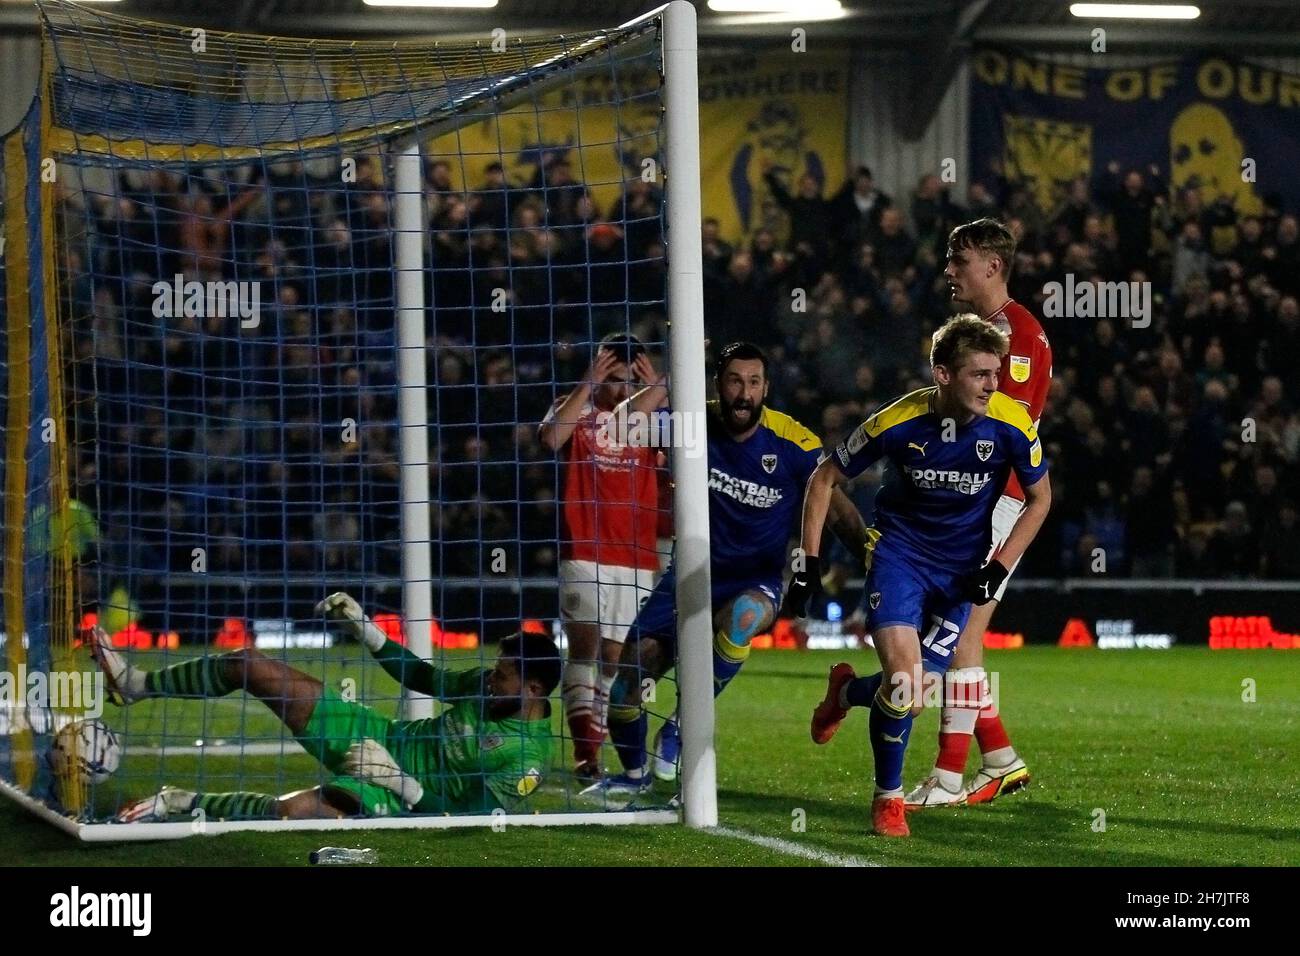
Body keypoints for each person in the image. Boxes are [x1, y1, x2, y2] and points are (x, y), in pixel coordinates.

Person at [788, 315, 1051, 836]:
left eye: (995, 373)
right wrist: (808, 563)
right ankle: (888, 799)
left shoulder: (1012, 423)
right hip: (900, 560)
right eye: (978, 374)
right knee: (906, 682)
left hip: (962, 576)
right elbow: (824, 477)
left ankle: (843, 693)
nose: (992, 385)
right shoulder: (897, 422)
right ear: (943, 374)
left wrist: (997, 568)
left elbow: (1041, 499)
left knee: (909, 691)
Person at [585, 342, 868, 797]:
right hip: (689, 577)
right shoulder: (694, 426)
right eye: (735, 381)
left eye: (754, 383)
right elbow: (618, 427)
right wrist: (666, 381)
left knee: (741, 619)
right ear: (719, 383)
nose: (744, 393)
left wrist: (871, 554)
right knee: (624, 688)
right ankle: (633, 775)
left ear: (766, 388)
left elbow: (834, 506)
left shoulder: (791, 441)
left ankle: (680, 726)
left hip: (752, 579)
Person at [92, 594, 560, 820]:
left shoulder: (528, 760)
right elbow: (421, 676)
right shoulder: (489, 688)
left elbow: (465, 816)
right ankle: (136, 684)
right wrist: (365, 627)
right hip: (379, 735)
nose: (492, 676)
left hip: (400, 794)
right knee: (250, 665)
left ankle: (177, 801)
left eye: (504, 673)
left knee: (293, 814)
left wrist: (394, 778)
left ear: (534, 689)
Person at [903, 217, 1054, 810]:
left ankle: (947, 777)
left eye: (957, 260)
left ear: (992, 266)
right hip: (980, 501)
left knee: (957, 637)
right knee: (960, 638)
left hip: (998, 503)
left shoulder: (1018, 335)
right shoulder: (989, 331)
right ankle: (998, 760)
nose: (948, 270)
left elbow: (998, 430)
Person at [539, 333, 664, 781]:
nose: (622, 389)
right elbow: (551, 438)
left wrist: (662, 388)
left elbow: (682, 451)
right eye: (614, 378)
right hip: (585, 551)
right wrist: (588, 383)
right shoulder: (576, 410)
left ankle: (596, 742)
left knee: (614, 659)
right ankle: (585, 754)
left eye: (632, 380)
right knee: (586, 647)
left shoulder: (650, 423)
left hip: (635, 557)